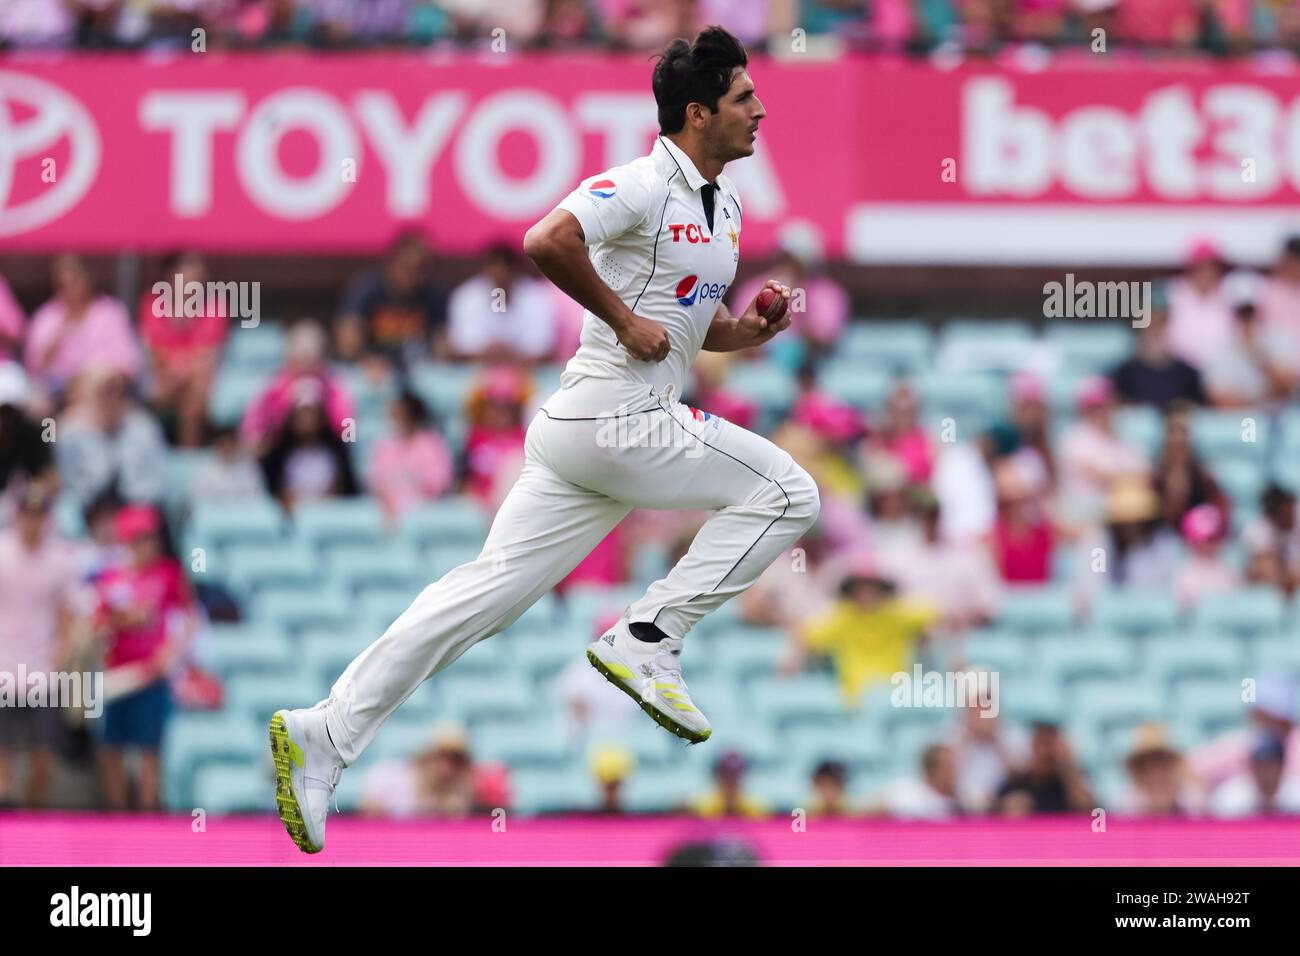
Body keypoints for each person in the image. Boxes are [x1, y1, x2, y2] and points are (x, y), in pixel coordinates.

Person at [270, 27, 818, 854]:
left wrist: (751, 330)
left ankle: (327, 731)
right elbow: (545, 239)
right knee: (788, 493)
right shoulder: (640, 183)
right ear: (698, 113)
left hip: (598, 436)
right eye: (745, 98)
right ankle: (647, 637)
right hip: (612, 415)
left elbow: (688, 332)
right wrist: (623, 317)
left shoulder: (727, 207)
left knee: (479, 600)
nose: (762, 110)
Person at [93, 504, 197, 811]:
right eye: (139, 538)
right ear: (127, 541)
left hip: (151, 675)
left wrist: (171, 652)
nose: (148, 545)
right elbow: (98, 623)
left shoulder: (168, 573)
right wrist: (126, 620)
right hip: (118, 676)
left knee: (149, 750)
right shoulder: (110, 577)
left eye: (150, 538)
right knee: (110, 749)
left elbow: (189, 618)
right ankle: (117, 813)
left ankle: (147, 812)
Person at [0, 484, 82, 808]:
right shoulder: (2, 553)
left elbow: (69, 609)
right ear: (17, 515)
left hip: (43, 668)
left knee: (45, 753)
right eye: (27, 514)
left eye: (38, 515)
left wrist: (62, 647)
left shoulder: (59, 558)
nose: (32, 522)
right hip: (3, 665)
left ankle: (30, 814)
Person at [784, 559, 938, 709]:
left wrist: (923, 634)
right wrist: (794, 658)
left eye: (872, 588)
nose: (867, 594)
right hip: (855, 698)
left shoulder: (896, 614)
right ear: (851, 591)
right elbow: (806, 634)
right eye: (861, 588)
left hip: (898, 695)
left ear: (882, 590)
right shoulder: (842, 617)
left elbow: (936, 613)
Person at [139, 252, 227, 447]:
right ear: (170, 273)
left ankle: (187, 456)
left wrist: (180, 369)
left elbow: (208, 354)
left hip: (198, 381)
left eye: (198, 267)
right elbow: (155, 353)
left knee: (194, 392)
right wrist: (177, 370)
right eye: (189, 267)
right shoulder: (153, 302)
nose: (197, 273)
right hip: (164, 381)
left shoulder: (213, 305)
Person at [23, 254, 140, 398]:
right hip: (57, 394)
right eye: (62, 285)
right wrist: (58, 336)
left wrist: (88, 376)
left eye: (74, 281)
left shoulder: (111, 313)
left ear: (87, 278)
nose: (69, 289)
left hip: (104, 394)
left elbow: (127, 364)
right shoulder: (46, 317)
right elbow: (34, 368)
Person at [335, 231, 447, 375]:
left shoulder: (433, 295)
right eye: (407, 268)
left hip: (418, 373)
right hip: (369, 372)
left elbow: (442, 342)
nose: (413, 276)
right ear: (392, 263)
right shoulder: (366, 288)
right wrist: (366, 360)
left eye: (422, 269)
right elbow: (347, 341)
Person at [55, 368, 168, 509]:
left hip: (137, 505)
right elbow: (66, 480)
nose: (109, 400)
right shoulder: (70, 429)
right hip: (88, 507)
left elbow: (158, 478)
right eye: (103, 394)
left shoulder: (143, 426)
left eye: (115, 393)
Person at [446, 243, 558, 364]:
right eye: (495, 267)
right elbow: (460, 348)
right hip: (475, 373)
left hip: (526, 374)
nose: (500, 274)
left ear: (515, 271)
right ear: (485, 269)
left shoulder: (536, 297)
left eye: (505, 268)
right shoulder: (467, 297)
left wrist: (508, 355)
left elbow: (543, 350)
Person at [367, 390, 454, 522]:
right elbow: (376, 481)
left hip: (425, 514)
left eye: (401, 413)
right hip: (389, 515)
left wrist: (411, 509)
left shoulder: (432, 444)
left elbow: (439, 484)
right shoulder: (385, 445)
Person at [870, 743, 961, 819]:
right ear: (932, 770)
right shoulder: (904, 791)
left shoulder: (961, 797)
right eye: (948, 768)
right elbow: (873, 808)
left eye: (954, 767)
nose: (955, 772)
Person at [689, 750, 769, 818]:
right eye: (726, 774)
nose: (731, 781)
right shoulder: (699, 806)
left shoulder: (757, 807)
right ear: (717, 776)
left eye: (735, 775)